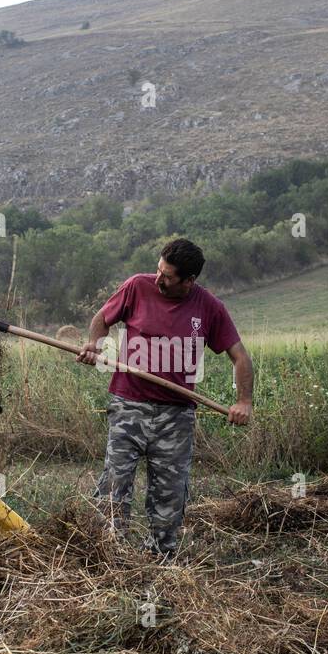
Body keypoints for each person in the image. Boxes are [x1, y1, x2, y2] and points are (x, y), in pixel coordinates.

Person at [77, 238, 252, 557]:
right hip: (128, 404)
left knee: (170, 495)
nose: (158, 279)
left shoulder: (209, 308)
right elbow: (102, 319)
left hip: (176, 415)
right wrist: (95, 346)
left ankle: (159, 558)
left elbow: (240, 356)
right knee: (115, 483)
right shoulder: (136, 287)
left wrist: (243, 402)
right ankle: (107, 554)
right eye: (158, 270)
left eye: (168, 276)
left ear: (189, 281)